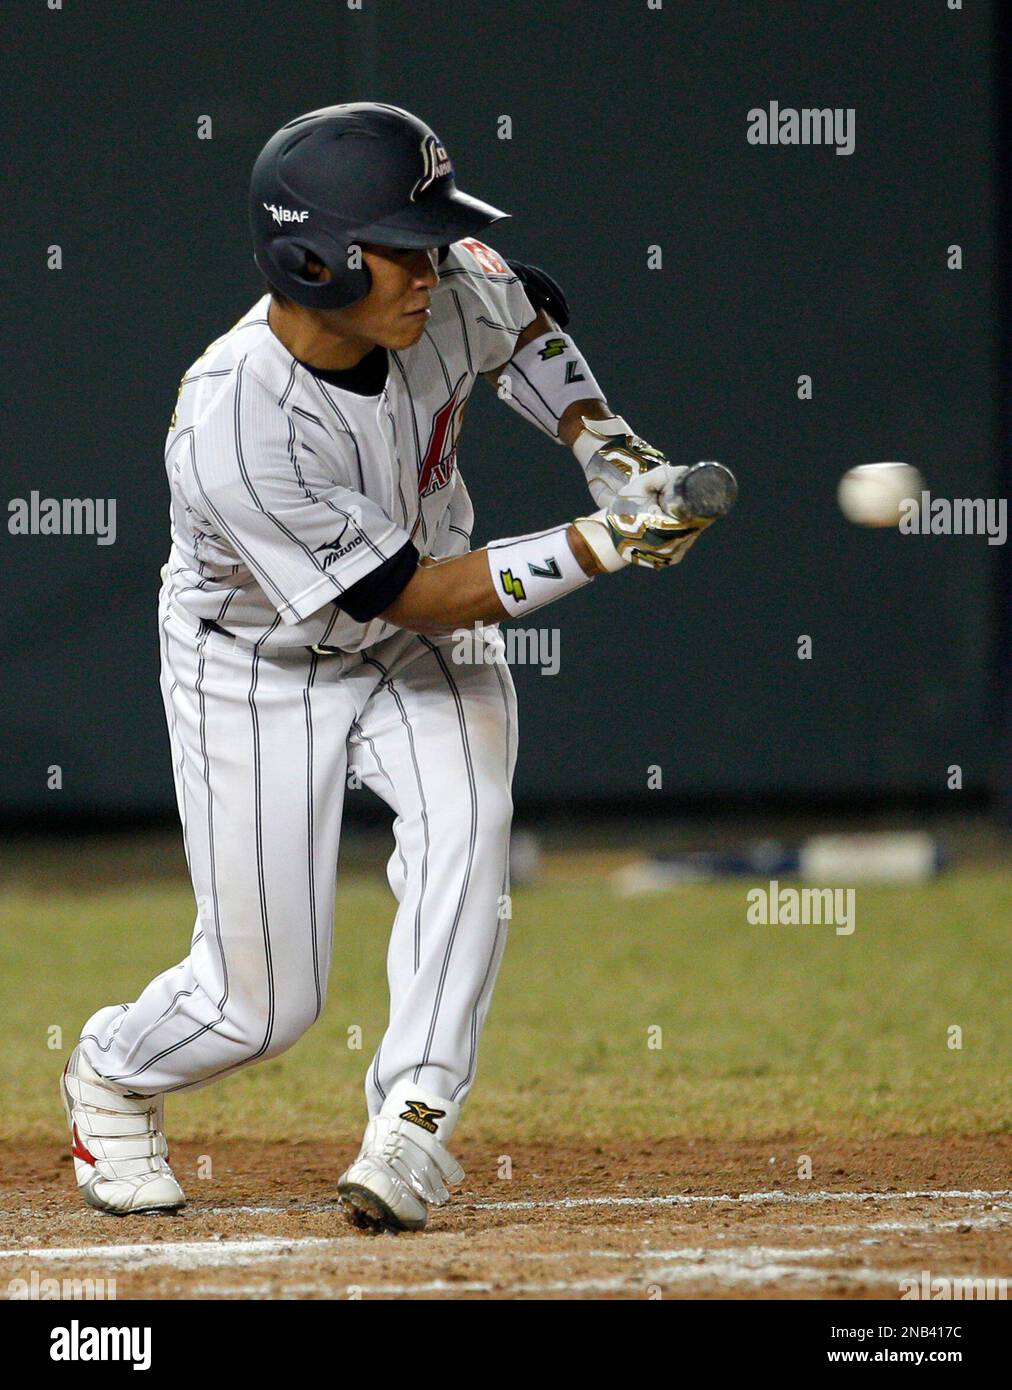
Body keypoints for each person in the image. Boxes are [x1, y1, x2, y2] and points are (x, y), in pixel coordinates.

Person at [61, 102, 735, 1233]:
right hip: (261, 662)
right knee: (259, 1006)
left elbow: (524, 329)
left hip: (423, 647)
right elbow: (407, 590)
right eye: (399, 242)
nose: (431, 266)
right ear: (313, 260)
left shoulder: (448, 280)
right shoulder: (236, 423)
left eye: (429, 234)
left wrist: (603, 446)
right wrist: (604, 540)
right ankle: (114, 1074)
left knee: (468, 823)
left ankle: (412, 1122)